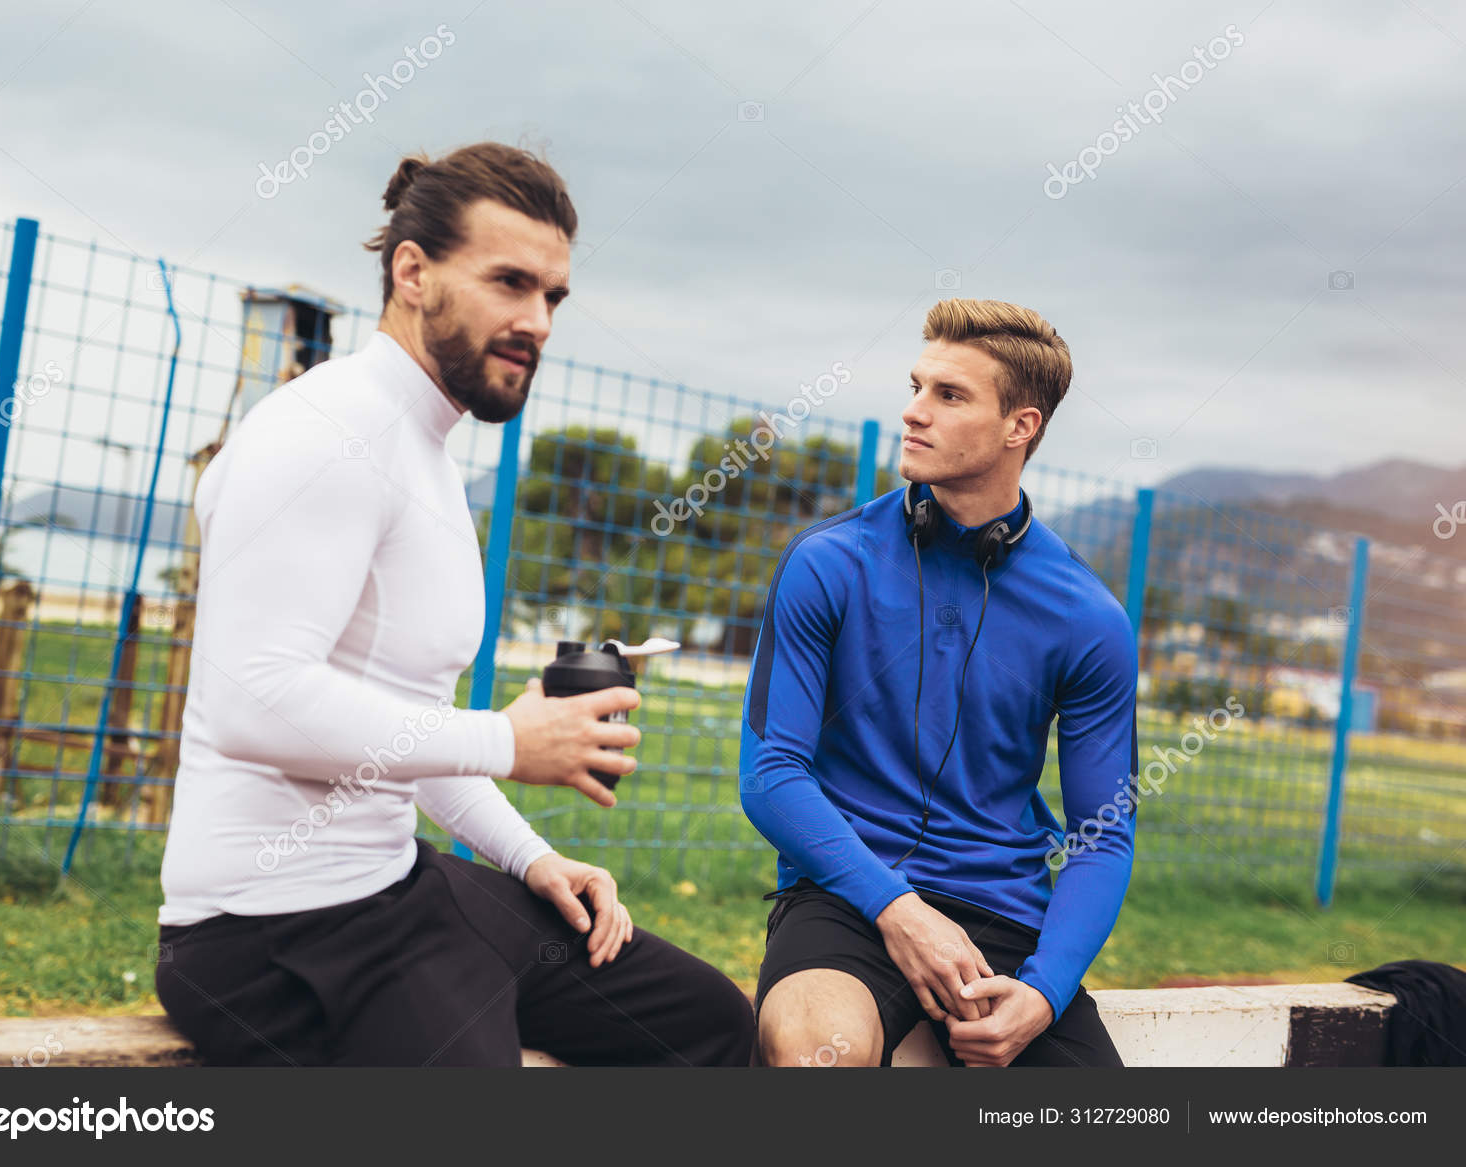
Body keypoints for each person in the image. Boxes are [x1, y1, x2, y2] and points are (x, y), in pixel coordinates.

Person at [155, 142, 753, 1068]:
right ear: (413, 272)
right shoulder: (324, 432)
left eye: (552, 295)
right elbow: (253, 696)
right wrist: (510, 741)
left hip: (397, 886)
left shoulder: (422, 448)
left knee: (706, 1022)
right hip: (271, 933)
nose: (538, 321)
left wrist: (528, 856)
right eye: (509, 281)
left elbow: (407, 733)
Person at [741, 298, 1138, 1068]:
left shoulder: (1089, 617)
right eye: (917, 385)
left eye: (948, 396)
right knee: (817, 1051)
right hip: (846, 895)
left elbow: (1102, 836)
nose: (912, 412)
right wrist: (896, 906)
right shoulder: (828, 561)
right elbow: (770, 774)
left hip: (1003, 918)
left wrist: (1046, 990)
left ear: (1021, 426)